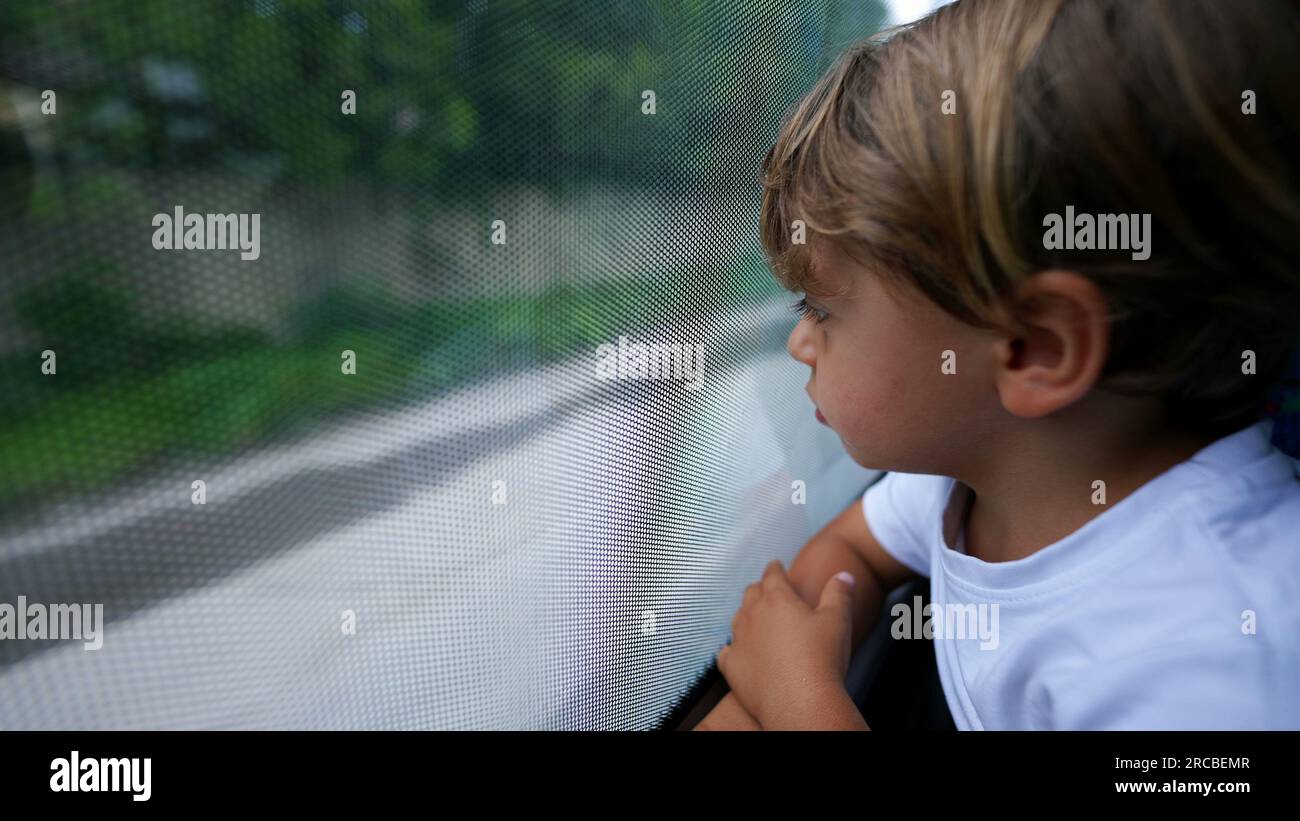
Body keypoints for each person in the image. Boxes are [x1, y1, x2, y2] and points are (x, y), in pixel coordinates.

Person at [696, 0, 1300, 730]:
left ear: (1035, 350)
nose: (801, 343)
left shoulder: (1208, 652)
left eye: (823, 312)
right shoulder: (974, 481)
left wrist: (803, 701)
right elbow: (854, 547)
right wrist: (795, 655)